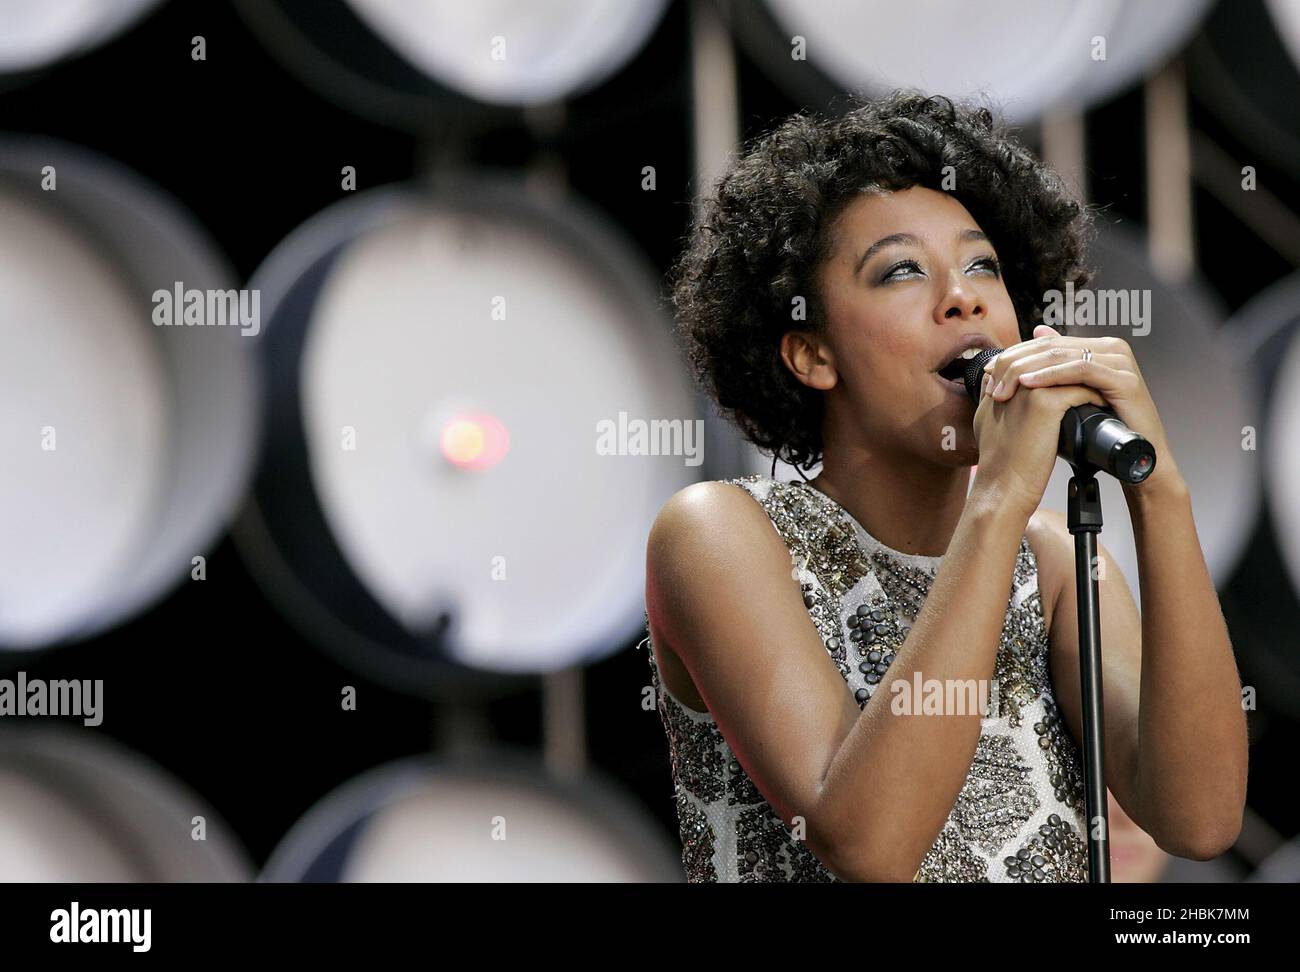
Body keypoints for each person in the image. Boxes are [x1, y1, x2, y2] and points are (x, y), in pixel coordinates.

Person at [641, 91, 1248, 882]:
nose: (961, 296)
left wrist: (1161, 489)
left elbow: (1200, 818)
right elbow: (868, 844)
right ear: (810, 354)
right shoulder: (719, 533)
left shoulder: (1055, 567)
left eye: (982, 266)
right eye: (900, 271)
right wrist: (998, 499)